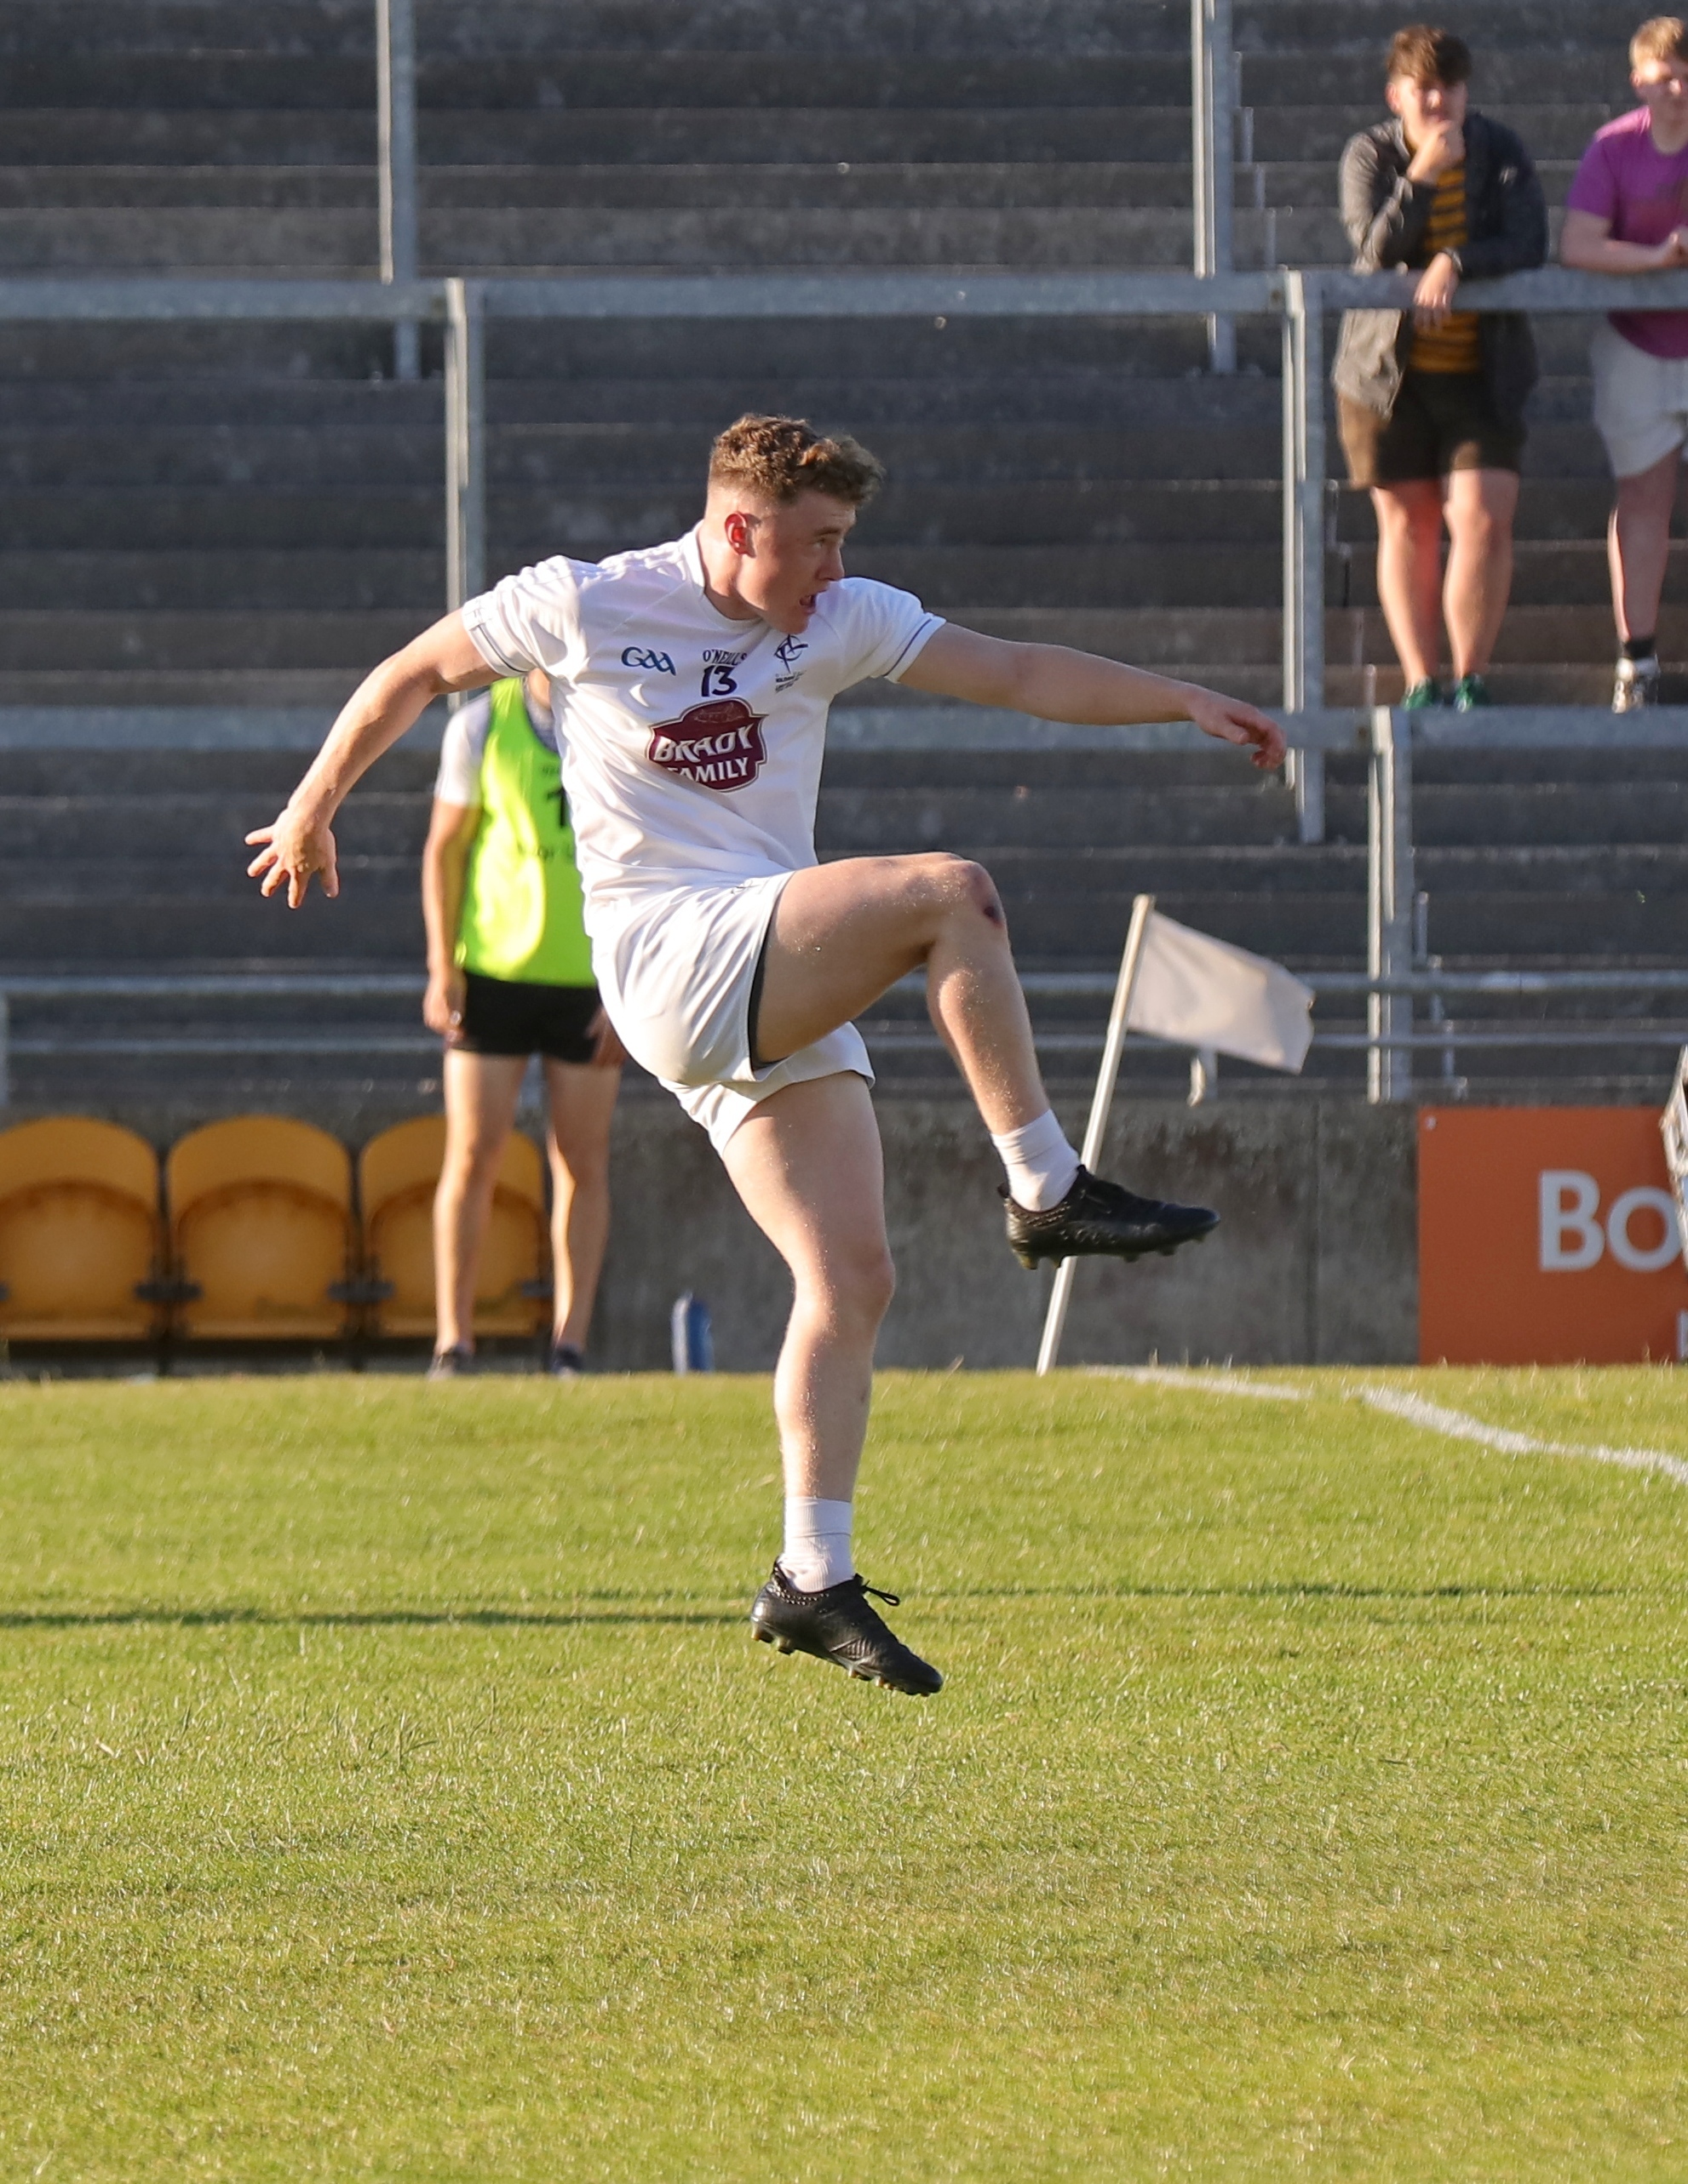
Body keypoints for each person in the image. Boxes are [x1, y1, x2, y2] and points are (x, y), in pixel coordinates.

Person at [246, 416, 1284, 1698]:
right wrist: (311, 805)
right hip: (669, 956)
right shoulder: (586, 601)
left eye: (844, 542)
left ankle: (810, 1575)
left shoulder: (834, 614)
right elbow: (413, 670)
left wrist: (1177, 696)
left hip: (763, 964)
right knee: (949, 891)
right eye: (817, 542)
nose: (833, 569)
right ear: (739, 525)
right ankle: (1044, 1186)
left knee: (850, 1274)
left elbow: (1013, 670)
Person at [1334, 26, 1547, 710]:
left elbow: (1528, 239)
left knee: (1483, 516)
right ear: (1395, 94)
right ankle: (1423, 678)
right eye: (1422, 88)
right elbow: (1372, 251)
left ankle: (1471, 676)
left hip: (1482, 371)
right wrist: (1420, 176)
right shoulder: (1369, 153)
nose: (1437, 100)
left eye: (1448, 86)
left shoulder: (1500, 149)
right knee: (1408, 524)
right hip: (1384, 376)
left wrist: (1457, 261)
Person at [422, 665, 623, 1380]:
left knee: (581, 1160)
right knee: (472, 1155)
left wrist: (627, 990)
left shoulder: (620, 720)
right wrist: (442, 967)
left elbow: (650, 861)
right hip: (494, 974)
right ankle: (455, 1342)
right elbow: (445, 848)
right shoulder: (480, 725)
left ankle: (569, 1345)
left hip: (587, 982)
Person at [1561, 14, 1688, 712]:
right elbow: (1579, 244)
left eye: (1687, 73)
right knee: (1644, 500)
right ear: (1639, 79)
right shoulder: (1614, 147)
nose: (1677, 86)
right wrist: (1658, 260)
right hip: (1637, 343)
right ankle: (1636, 658)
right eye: (1664, 73)